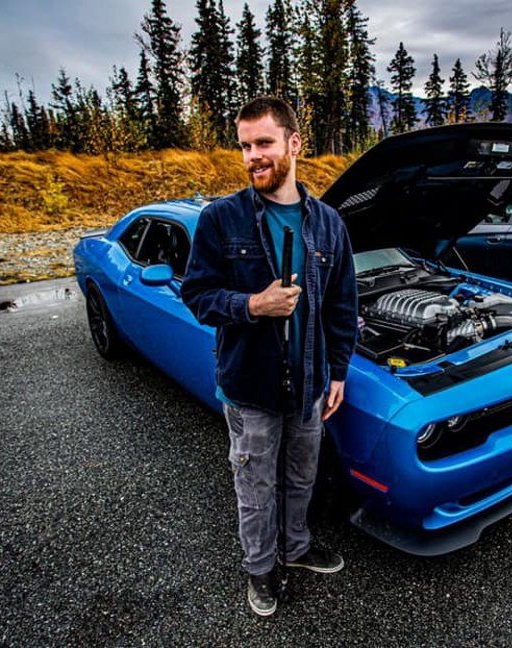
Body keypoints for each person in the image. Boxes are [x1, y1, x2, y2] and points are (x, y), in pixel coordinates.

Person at [180, 97, 358, 617]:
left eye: (263, 143)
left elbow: (342, 306)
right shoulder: (221, 219)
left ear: (293, 144)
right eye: (244, 146)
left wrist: (339, 371)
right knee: (255, 486)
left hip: (309, 383)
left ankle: (296, 549)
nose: (252, 156)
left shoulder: (328, 225)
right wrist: (253, 304)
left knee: (302, 476)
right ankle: (260, 569)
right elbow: (196, 295)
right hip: (250, 386)